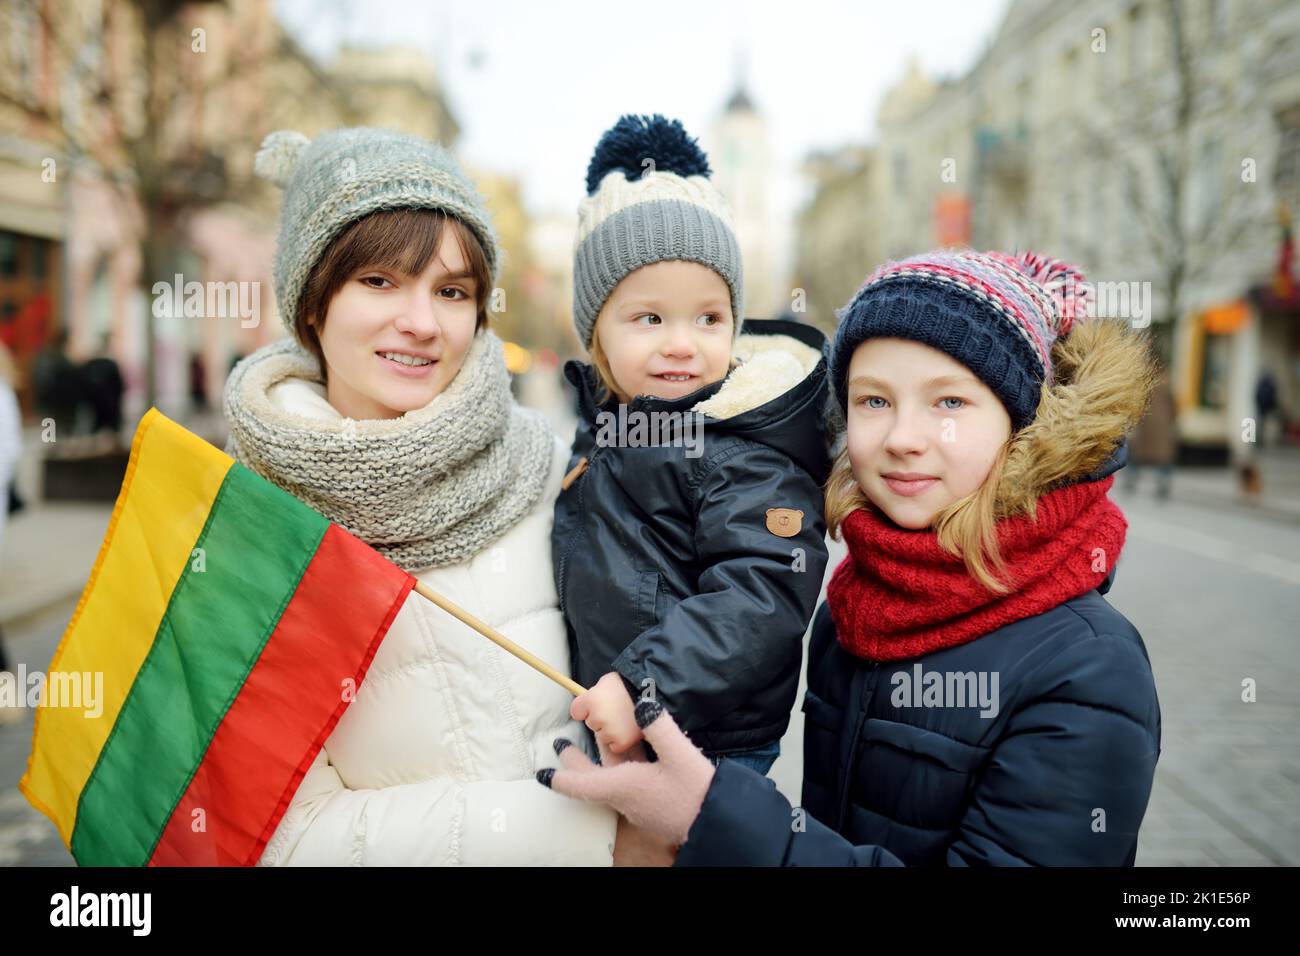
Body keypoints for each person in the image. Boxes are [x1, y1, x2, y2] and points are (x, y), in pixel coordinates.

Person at [540, 250, 1163, 867]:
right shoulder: (856, 610)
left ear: (1022, 424)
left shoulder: (1088, 667)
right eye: (874, 401)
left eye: (950, 403)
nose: (902, 438)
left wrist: (715, 819)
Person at [225, 127, 621, 865]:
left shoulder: (551, 468)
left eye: (451, 291)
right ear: (313, 303)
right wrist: (589, 835)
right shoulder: (251, 520)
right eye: (379, 281)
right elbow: (282, 835)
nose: (421, 321)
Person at [554, 115, 831, 777]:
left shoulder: (741, 447)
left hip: (703, 741)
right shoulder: (606, 428)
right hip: (616, 720)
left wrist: (642, 687)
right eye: (650, 317)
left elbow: (759, 597)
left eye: (708, 318)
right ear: (597, 331)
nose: (682, 342)